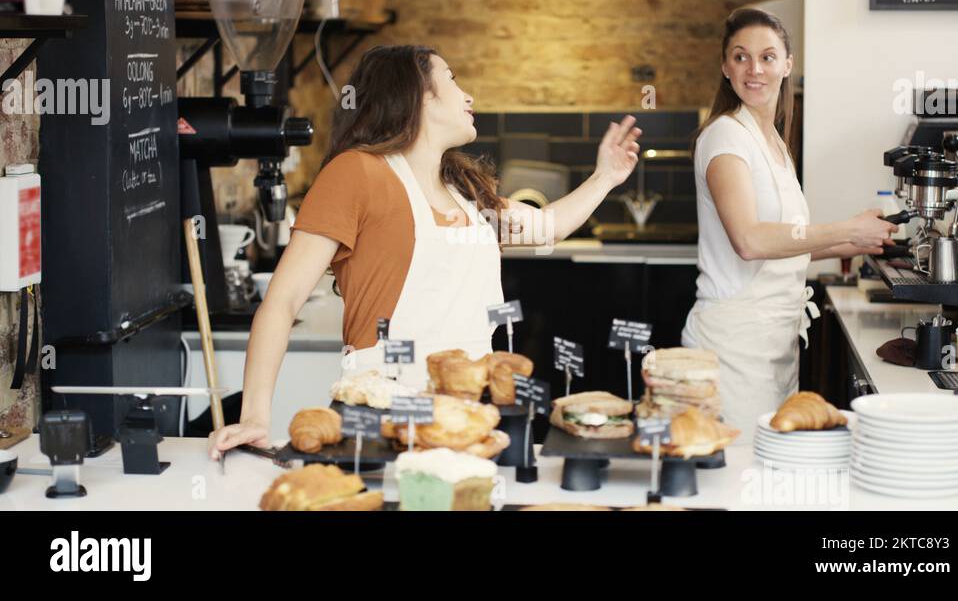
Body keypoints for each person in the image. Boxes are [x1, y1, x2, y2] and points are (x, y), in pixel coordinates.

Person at [208, 44, 642, 458]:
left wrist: (605, 176)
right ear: (416, 97)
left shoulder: (467, 191)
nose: (468, 94)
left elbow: (549, 227)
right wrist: (255, 416)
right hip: (383, 410)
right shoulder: (355, 173)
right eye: (452, 80)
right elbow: (282, 302)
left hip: (469, 412)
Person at [680, 9, 896, 440]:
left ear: (787, 64)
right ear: (725, 67)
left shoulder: (774, 141)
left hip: (774, 346)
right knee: (738, 489)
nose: (754, 69)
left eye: (767, 56)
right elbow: (748, 240)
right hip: (732, 349)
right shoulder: (725, 137)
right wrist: (846, 230)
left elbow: (785, 245)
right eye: (740, 57)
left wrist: (860, 243)